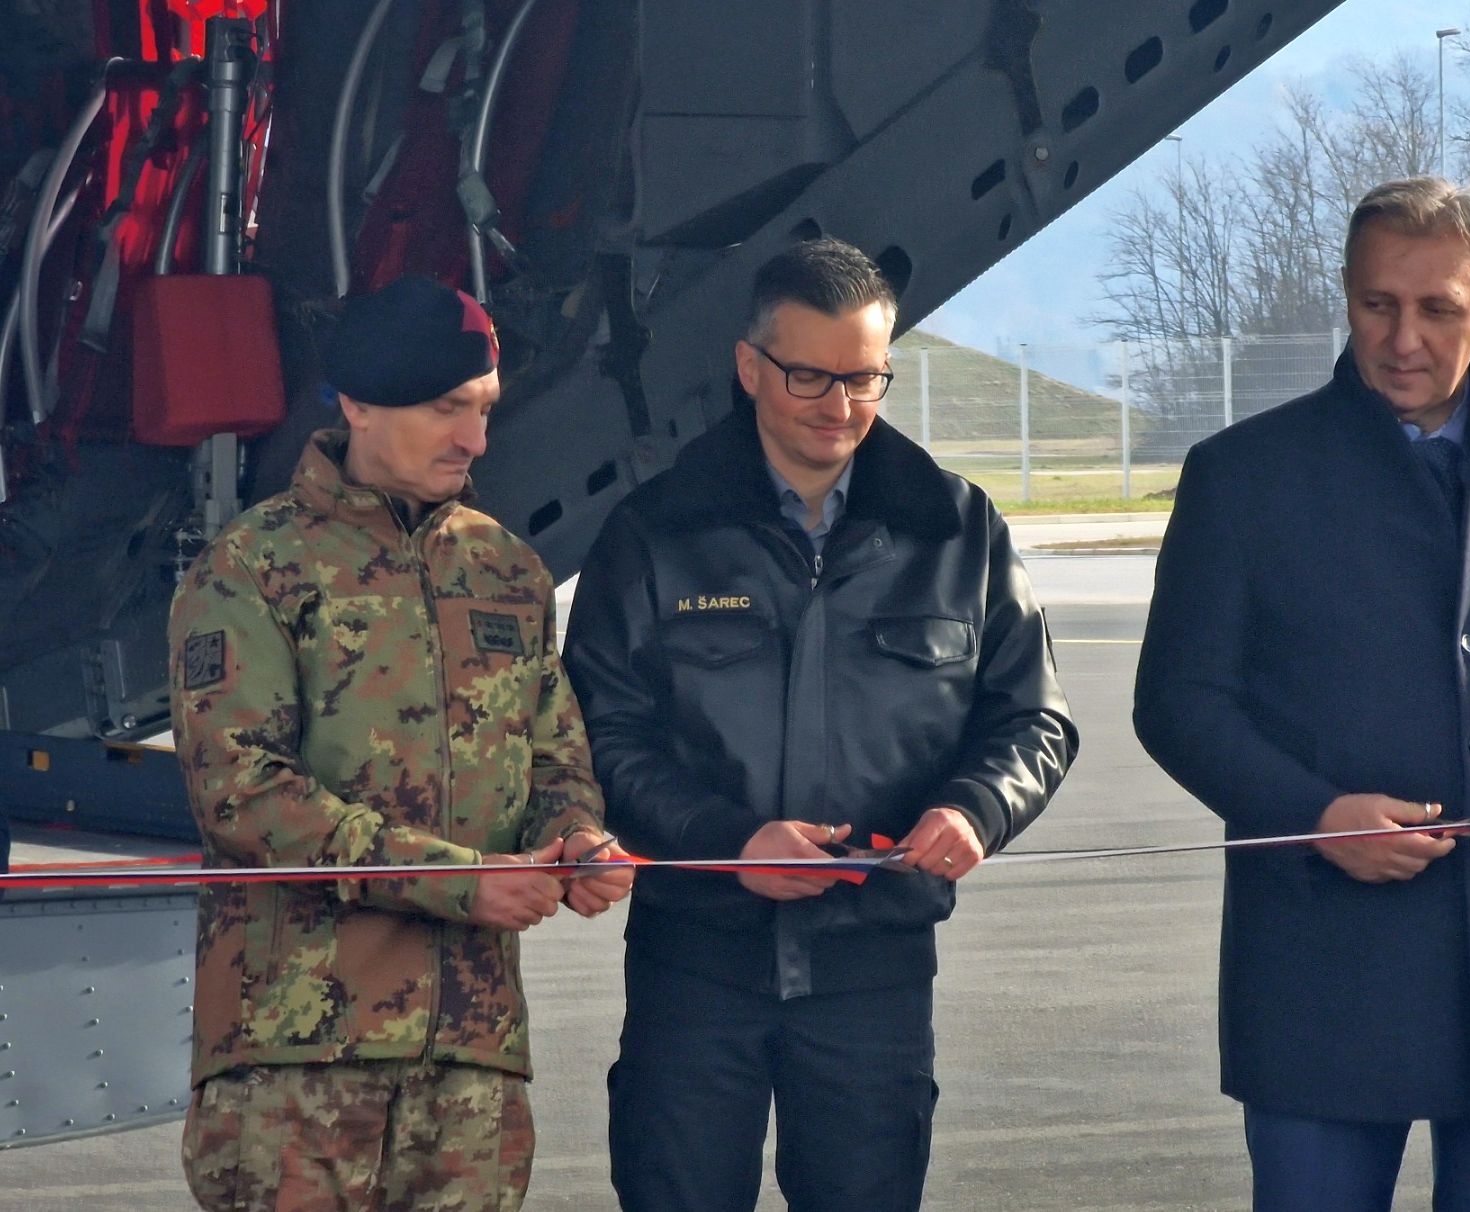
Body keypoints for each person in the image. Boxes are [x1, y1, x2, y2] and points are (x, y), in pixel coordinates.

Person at [1133, 177, 1470, 1212]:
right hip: (1320, 981)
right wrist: (1311, 820)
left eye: (1438, 308)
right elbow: (1179, 700)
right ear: (1344, 294)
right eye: (1378, 303)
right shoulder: (1241, 475)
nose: (1404, 338)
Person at [562, 236, 1077, 1211]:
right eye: (810, 378)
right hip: (695, 971)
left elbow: (1033, 720)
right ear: (749, 367)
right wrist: (728, 845)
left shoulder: (957, 531)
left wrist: (976, 811)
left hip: (872, 975)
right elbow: (602, 730)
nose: (842, 409)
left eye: (867, 378)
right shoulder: (657, 533)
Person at [168, 274, 632, 1211]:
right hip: (296, 1053)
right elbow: (245, 798)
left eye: (486, 408)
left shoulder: (506, 570)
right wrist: (462, 881)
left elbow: (554, 758)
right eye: (446, 408)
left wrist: (579, 839)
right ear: (358, 405)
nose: (475, 439)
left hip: (471, 1058)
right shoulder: (252, 569)